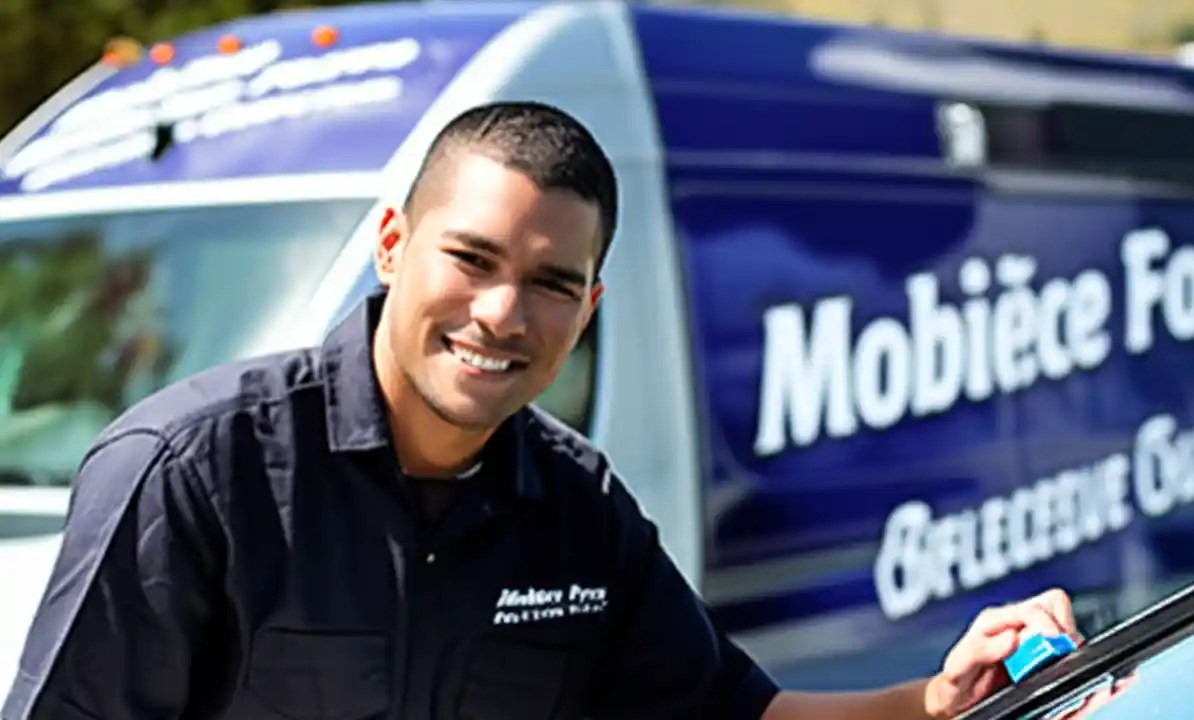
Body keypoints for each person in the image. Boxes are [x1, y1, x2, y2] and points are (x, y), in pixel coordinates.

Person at [3, 101, 1090, 720]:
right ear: (392, 245)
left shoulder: (575, 506)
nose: (500, 313)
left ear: (588, 304)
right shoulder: (192, 473)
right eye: (469, 258)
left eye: (550, 284)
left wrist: (935, 702)